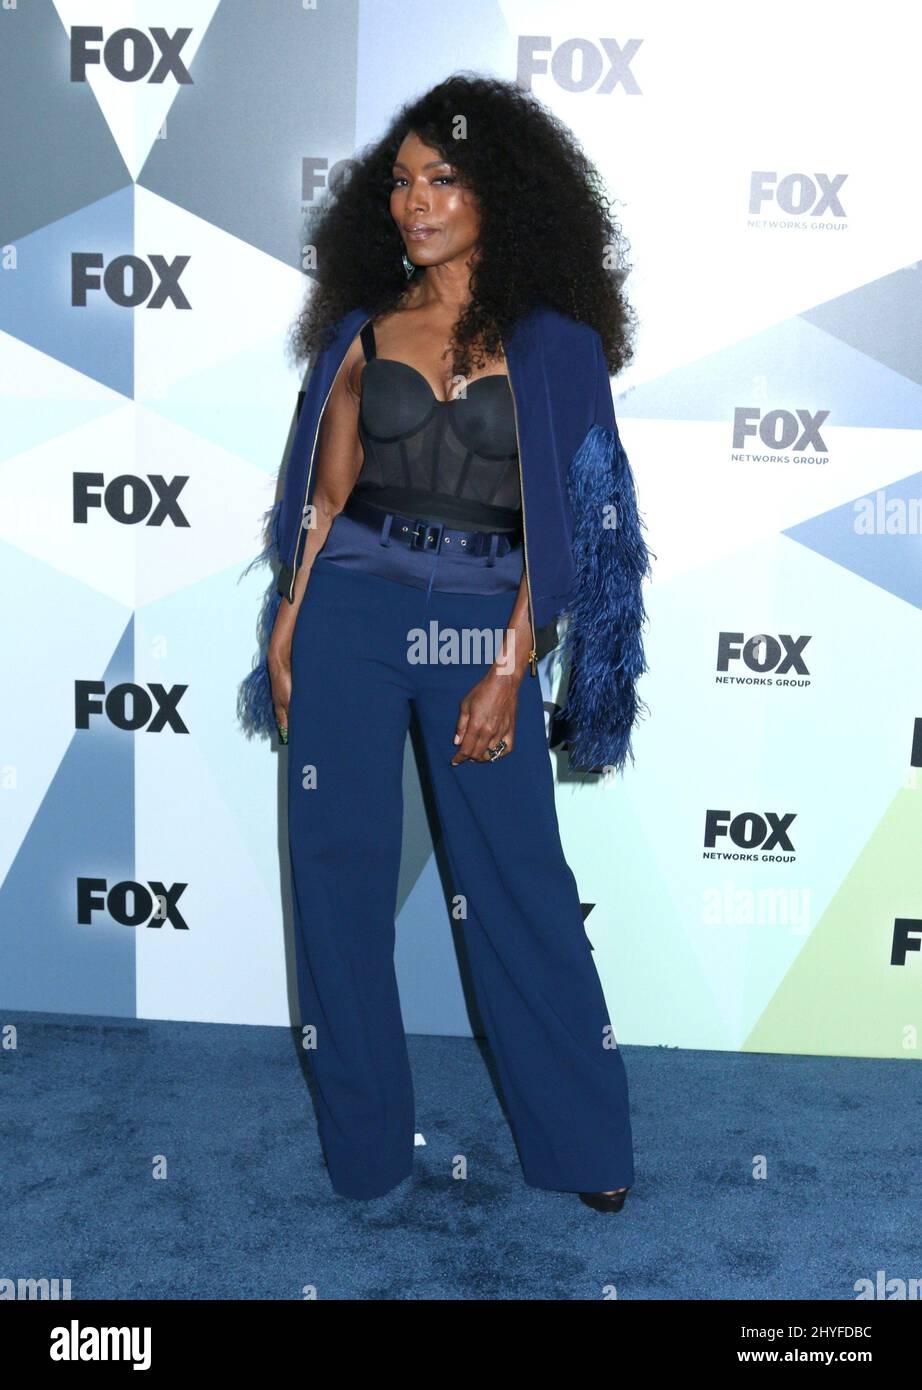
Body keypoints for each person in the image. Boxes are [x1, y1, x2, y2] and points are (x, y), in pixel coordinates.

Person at [239, 74, 653, 1211]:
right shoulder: (364, 331)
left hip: (482, 621)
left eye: (442, 179)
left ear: (499, 194)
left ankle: (582, 1149)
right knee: (333, 878)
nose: (414, 203)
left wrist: (514, 664)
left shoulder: (555, 344)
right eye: (401, 183)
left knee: (516, 878)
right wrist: (287, 621)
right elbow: (325, 494)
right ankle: (367, 1154)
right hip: (351, 620)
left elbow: (575, 518)